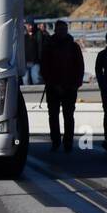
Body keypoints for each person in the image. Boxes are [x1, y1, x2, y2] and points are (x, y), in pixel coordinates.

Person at [41, 20, 85, 152]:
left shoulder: (73, 47)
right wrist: (52, 83)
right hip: (53, 87)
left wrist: (75, 84)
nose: (62, 32)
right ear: (55, 30)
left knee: (68, 115)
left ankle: (68, 142)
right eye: (60, 30)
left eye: (64, 30)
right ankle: (55, 141)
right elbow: (44, 67)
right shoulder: (49, 46)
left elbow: (79, 67)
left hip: (70, 87)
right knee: (53, 115)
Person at [23, 20, 43, 85]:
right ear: (25, 25)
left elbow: (40, 47)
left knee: (36, 80)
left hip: (35, 62)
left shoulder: (38, 34)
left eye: (32, 25)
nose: (31, 27)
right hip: (25, 63)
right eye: (29, 25)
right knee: (25, 81)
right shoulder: (22, 35)